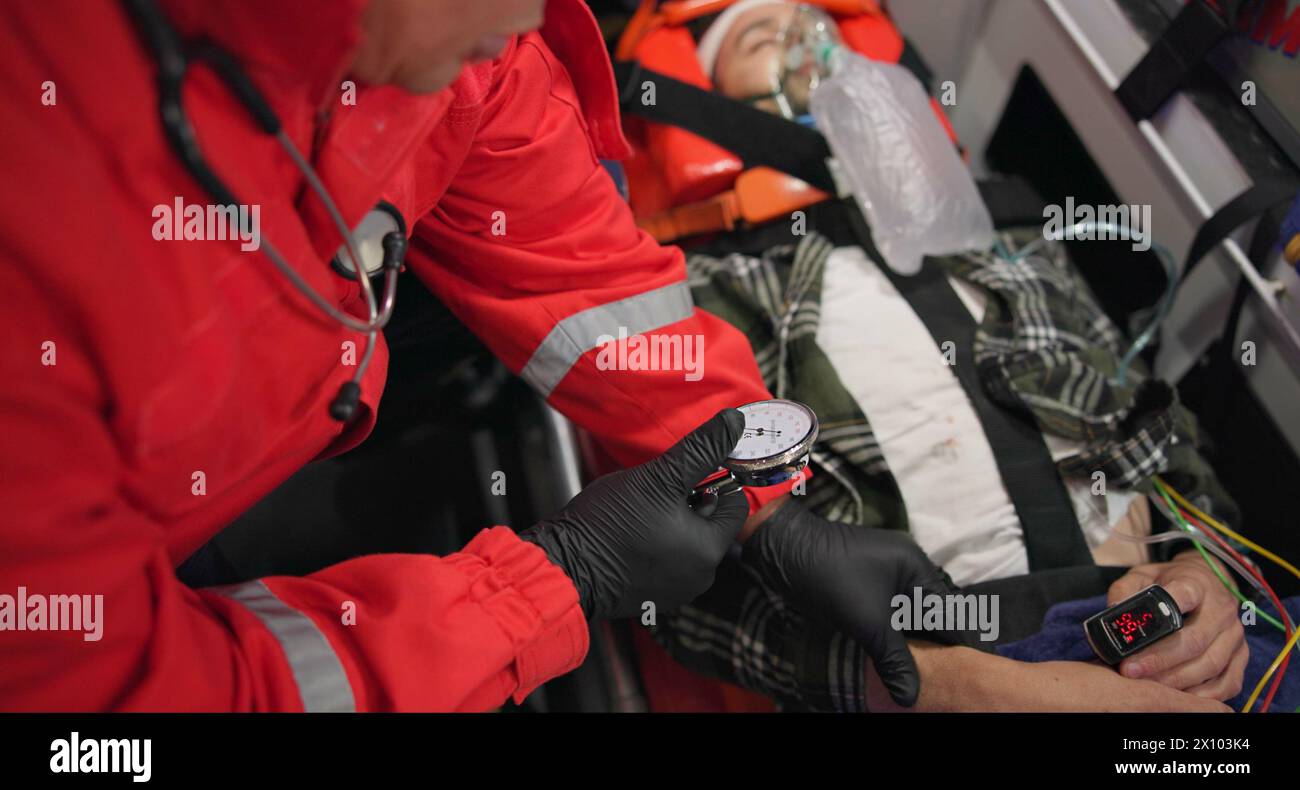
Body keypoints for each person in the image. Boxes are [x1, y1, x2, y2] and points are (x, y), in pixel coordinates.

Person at [0, 0, 953, 711]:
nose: (526, 19)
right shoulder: (39, 242)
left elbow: (583, 273)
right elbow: (101, 707)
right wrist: (550, 583)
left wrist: (762, 502)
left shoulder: (441, 42)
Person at [620, 0, 1250, 712]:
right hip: (949, 661)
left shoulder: (1003, 230)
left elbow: (1160, 427)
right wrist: (942, 685)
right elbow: (674, 595)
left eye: (812, 18)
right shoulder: (699, 294)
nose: (806, 41)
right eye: (763, 35)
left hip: (1166, 641)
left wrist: (1211, 578)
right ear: (703, 104)